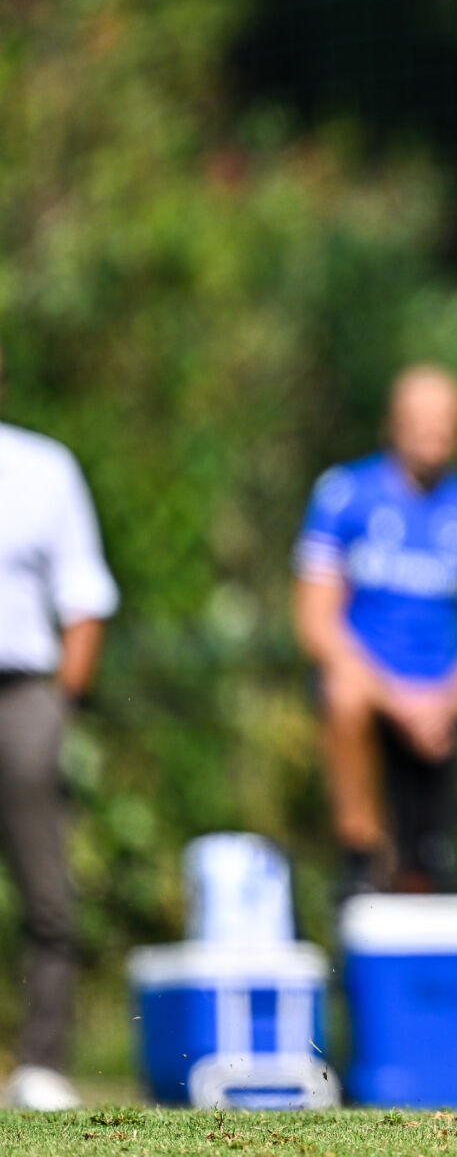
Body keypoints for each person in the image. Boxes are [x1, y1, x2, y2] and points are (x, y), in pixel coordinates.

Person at [293, 365, 457, 896]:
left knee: (427, 875)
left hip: (441, 711)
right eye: (420, 418)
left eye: (444, 420)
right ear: (392, 423)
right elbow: (315, 623)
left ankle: (423, 869)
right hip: (368, 695)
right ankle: (358, 853)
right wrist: (397, 701)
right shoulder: (342, 496)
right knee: (343, 693)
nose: (432, 431)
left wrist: (444, 703)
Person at [0, 341, 118, 1111]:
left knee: (45, 888)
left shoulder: (43, 469)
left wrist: (59, 705)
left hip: (21, 695)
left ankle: (42, 1062)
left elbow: (85, 595)